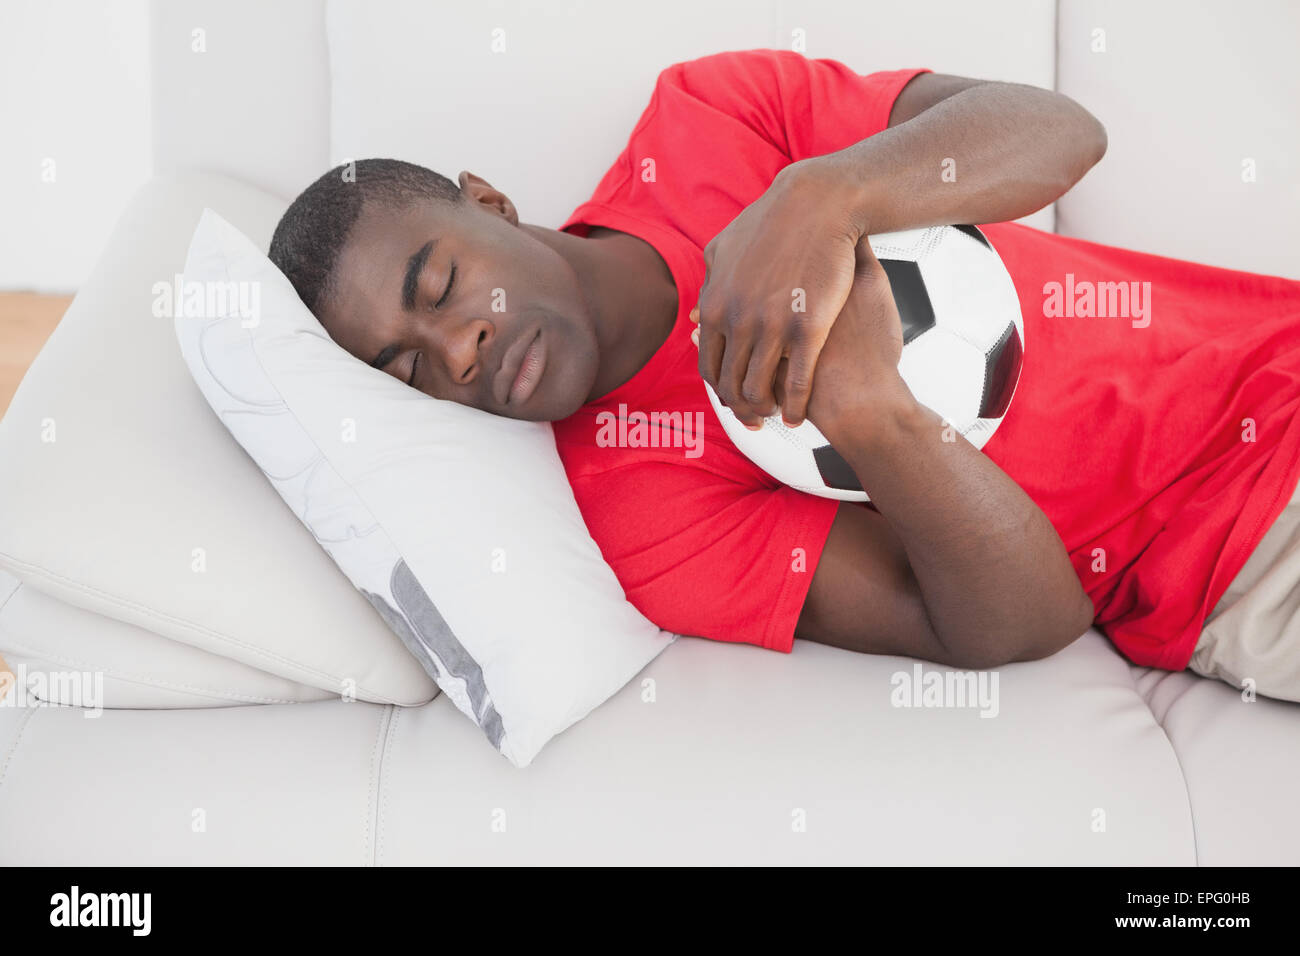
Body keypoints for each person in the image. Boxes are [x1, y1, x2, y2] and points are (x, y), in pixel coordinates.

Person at [267, 49, 1300, 700]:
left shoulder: (704, 120)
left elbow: (1061, 132)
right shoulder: (640, 512)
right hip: (1242, 558)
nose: (456, 353)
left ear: (487, 203)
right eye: (406, 368)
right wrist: (874, 412)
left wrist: (828, 194)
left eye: (441, 283)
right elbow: (1019, 625)